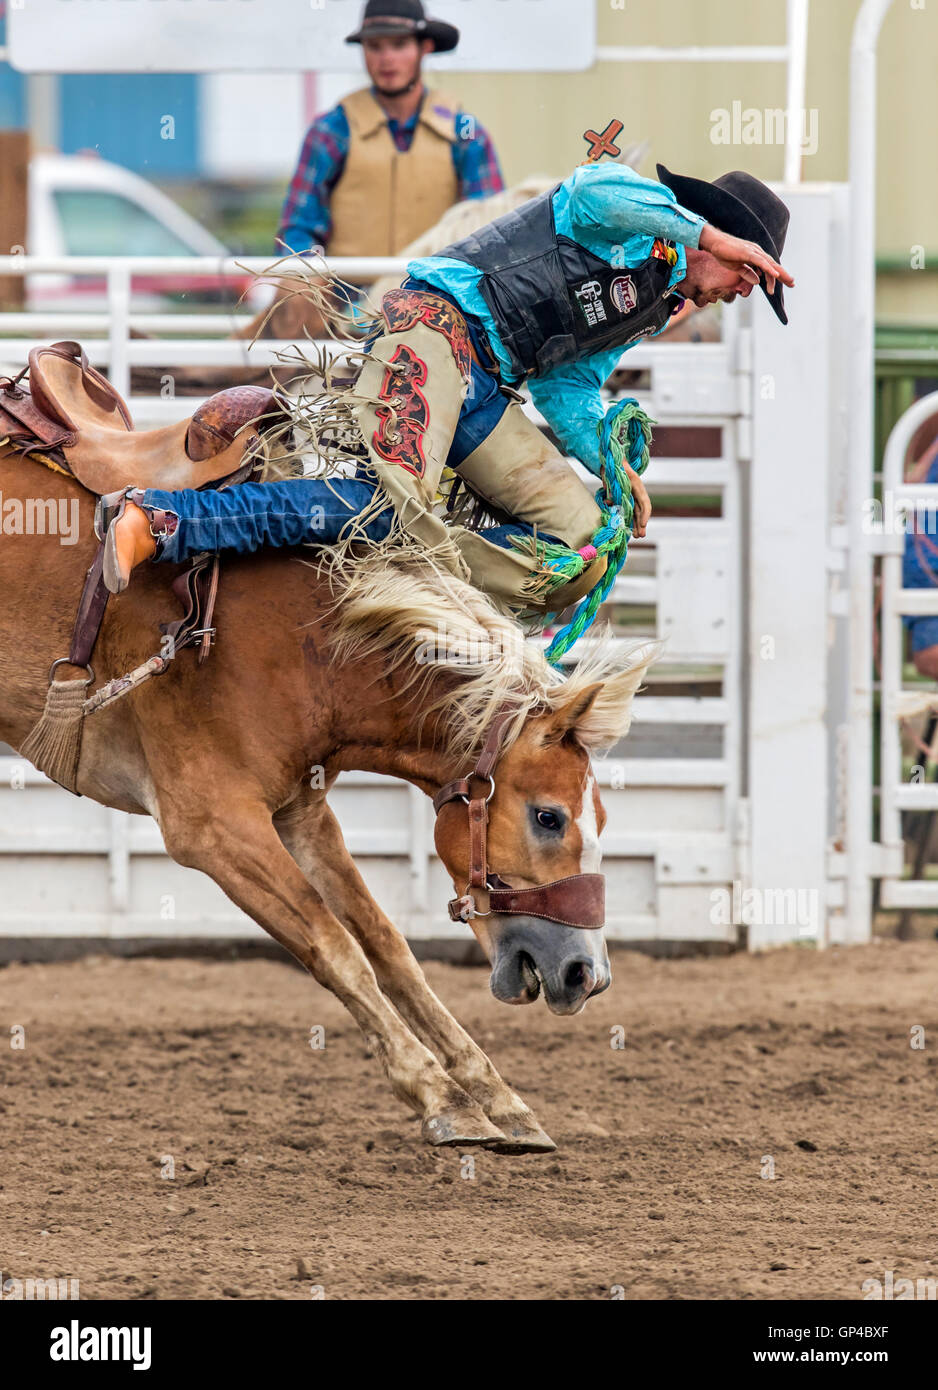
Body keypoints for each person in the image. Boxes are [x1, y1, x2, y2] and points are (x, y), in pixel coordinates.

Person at [96, 159, 794, 607]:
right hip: (431, 333)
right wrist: (711, 236)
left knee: (578, 545)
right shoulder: (635, 213)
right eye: (746, 274)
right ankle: (162, 521)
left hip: (483, 387)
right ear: (720, 242)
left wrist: (613, 469)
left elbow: (568, 390)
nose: (740, 290)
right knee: (387, 509)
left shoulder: (655, 304)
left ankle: (421, 566)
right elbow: (589, 189)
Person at [277, 0, 504, 259]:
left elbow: (487, 231)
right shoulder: (330, 131)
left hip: (436, 292)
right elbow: (298, 230)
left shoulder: (465, 133)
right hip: (346, 291)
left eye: (399, 45)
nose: (387, 59)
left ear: (425, 47)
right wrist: (310, 271)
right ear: (362, 51)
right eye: (374, 46)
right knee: (296, 285)